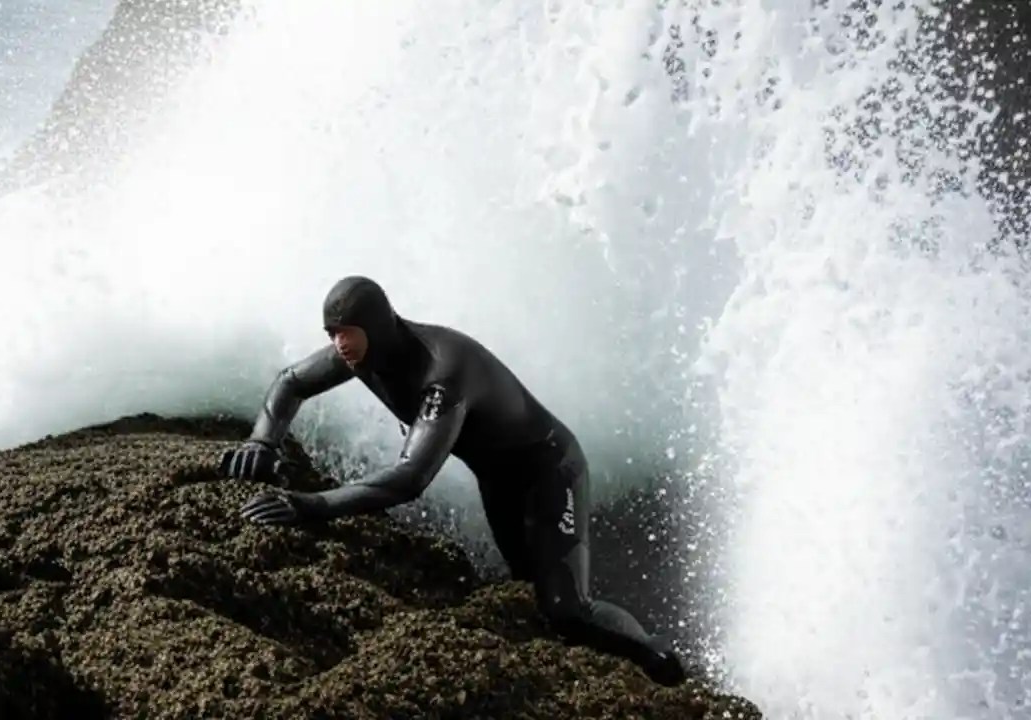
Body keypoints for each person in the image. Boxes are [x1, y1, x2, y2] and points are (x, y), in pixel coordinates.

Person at [220, 275, 686, 686]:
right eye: (332, 334)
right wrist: (263, 442)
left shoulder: (441, 371)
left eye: (347, 332)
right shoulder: (360, 354)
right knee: (531, 591)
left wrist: (309, 506)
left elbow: (409, 478)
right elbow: (290, 382)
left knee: (567, 609)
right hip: (498, 478)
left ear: (377, 327)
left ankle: (659, 660)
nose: (339, 345)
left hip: (549, 469)